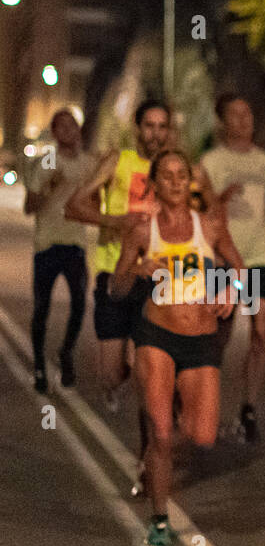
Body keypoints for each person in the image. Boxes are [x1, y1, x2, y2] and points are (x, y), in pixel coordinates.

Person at [111, 150, 242, 545]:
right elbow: (116, 287)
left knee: (202, 435)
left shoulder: (211, 226)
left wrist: (233, 291)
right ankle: (160, 519)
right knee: (163, 433)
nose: (174, 181)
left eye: (181, 174)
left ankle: (152, 457)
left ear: (191, 182)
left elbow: (240, 267)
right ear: (154, 183)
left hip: (201, 340)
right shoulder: (141, 229)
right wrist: (137, 269)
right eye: (166, 175)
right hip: (157, 337)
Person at [66, 100, 170, 456]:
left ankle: (147, 457)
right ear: (138, 129)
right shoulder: (118, 161)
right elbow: (74, 205)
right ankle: (116, 384)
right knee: (111, 373)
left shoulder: (173, 170)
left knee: (148, 372)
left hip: (157, 280)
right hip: (115, 274)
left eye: (162, 127)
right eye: (150, 126)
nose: (155, 133)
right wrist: (116, 221)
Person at [198, 93, 265, 442]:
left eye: (247, 112)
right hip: (223, 258)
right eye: (235, 114)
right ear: (223, 121)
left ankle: (249, 407)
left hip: (258, 258)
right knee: (218, 337)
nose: (243, 119)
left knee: (261, 331)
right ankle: (205, 401)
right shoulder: (211, 162)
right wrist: (220, 199)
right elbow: (200, 210)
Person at [24, 108, 93, 393]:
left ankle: (66, 352)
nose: (68, 131)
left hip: (75, 245)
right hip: (47, 245)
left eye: (72, 126)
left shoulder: (88, 163)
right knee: (42, 307)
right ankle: (39, 365)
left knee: (79, 303)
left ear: (79, 130)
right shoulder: (48, 161)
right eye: (61, 127)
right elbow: (30, 207)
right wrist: (49, 188)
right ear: (54, 133)